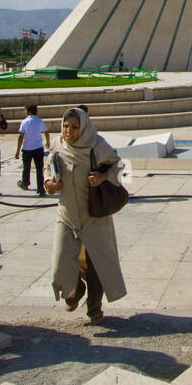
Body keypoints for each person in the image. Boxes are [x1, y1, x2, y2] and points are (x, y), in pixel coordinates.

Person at [45, 107, 127, 325]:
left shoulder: (96, 145)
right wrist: (50, 184)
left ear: (83, 128)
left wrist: (103, 177)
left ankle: (94, 307)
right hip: (67, 214)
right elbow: (48, 172)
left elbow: (121, 167)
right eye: (65, 126)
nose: (68, 131)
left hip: (94, 215)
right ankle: (74, 291)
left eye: (73, 127)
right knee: (60, 263)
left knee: (97, 265)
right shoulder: (57, 146)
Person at [15, 103, 50, 197]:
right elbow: (46, 132)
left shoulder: (25, 122)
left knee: (26, 167)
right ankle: (40, 188)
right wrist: (48, 142)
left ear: (28, 111)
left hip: (27, 149)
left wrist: (18, 151)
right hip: (38, 148)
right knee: (39, 169)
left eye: (25, 110)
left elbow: (21, 136)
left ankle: (25, 183)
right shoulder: (39, 121)